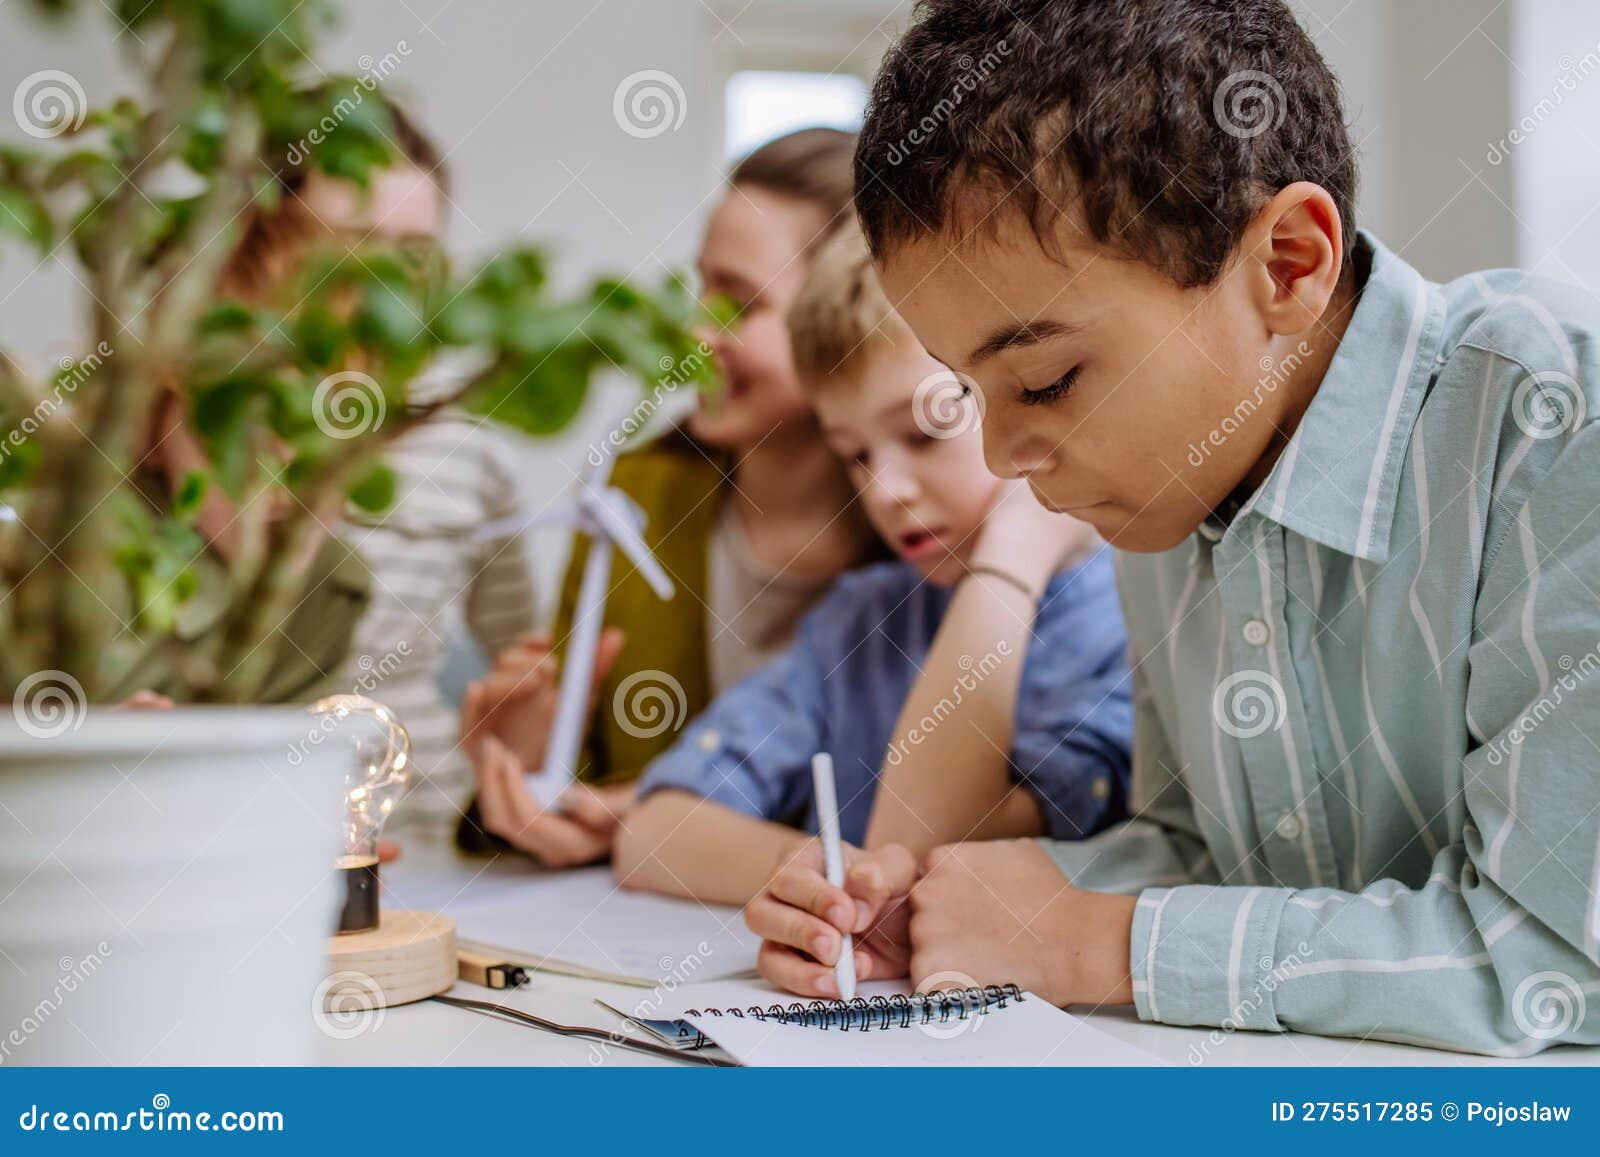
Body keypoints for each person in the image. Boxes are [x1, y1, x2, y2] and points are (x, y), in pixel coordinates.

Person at [751, 0, 1600, 1056]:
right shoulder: (1175, 485)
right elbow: (1208, 851)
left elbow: (1562, 955)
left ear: (1288, 263)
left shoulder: (1558, 434)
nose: (1002, 456)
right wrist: (945, 911)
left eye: (1047, 380)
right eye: (973, 393)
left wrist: (1106, 942)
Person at [612, 222, 1131, 941]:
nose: (884, 489)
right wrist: (832, 878)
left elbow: (929, 843)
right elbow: (652, 832)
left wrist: (1014, 551)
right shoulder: (859, 620)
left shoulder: (1127, 624)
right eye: (854, 454)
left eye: (921, 435)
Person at [456, 129, 882, 864]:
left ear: (846, 317)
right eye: (700, 289)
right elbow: (578, 790)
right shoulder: (634, 495)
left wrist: (663, 817)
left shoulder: (929, 530)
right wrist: (523, 767)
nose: (694, 332)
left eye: (740, 305)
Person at [213, 92, 538, 834]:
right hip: (225, 852)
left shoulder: (471, 457)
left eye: (414, 256)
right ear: (258, 242)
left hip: (420, 858)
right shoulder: (178, 437)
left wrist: (515, 747)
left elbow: (521, 662)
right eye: (349, 246)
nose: (385, 288)